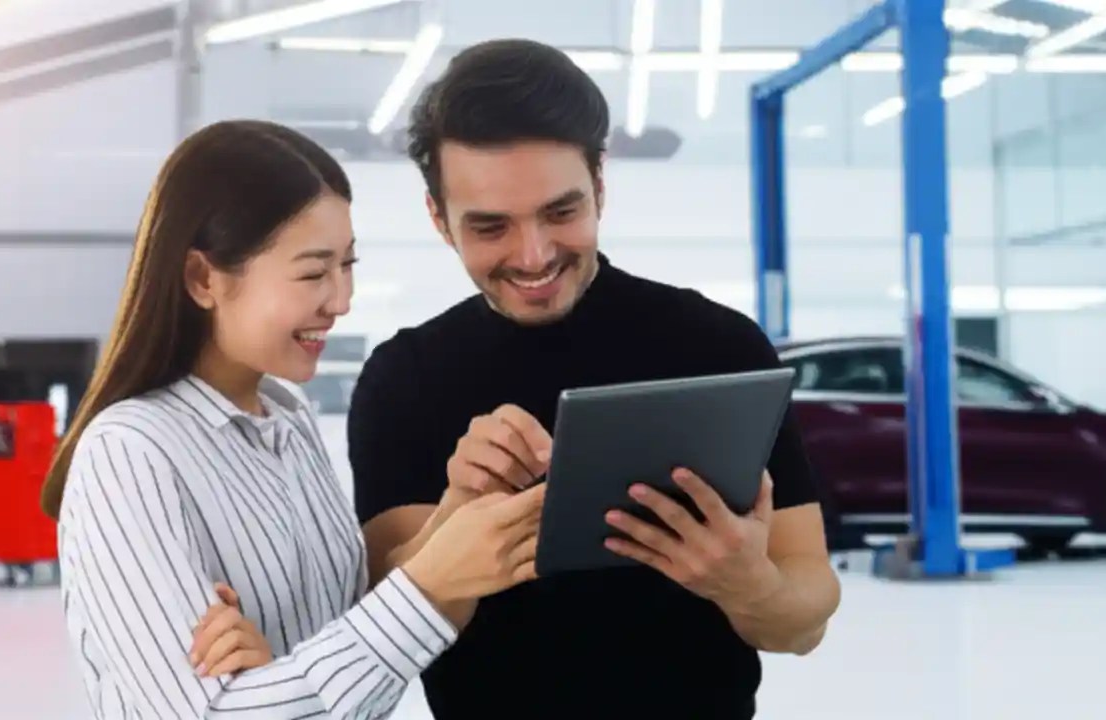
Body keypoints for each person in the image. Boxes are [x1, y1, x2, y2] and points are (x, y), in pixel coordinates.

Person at [348, 39, 842, 720]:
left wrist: (746, 583)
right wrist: (454, 514)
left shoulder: (720, 346)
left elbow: (805, 623)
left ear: (600, 185)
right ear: (439, 218)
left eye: (561, 212)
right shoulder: (404, 378)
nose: (534, 256)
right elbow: (385, 632)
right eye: (491, 226)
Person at [40, 119, 547, 719]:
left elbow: (344, 634)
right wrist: (429, 586)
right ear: (203, 278)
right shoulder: (129, 453)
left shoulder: (289, 417)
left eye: (348, 265)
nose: (342, 300)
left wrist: (459, 509)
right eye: (313, 273)